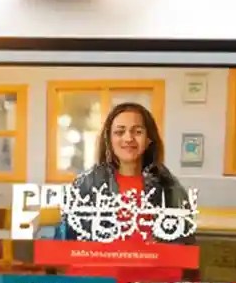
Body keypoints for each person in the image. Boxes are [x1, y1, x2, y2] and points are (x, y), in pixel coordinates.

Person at [58, 101, 195, 245]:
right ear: (109, 139)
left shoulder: (169, 187)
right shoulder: (86, 185)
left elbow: (185, 245)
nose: (128, 138)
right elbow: (67, 243)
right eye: (119, 132)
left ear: (149, 139)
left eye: (137, 132)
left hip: (155, 261)